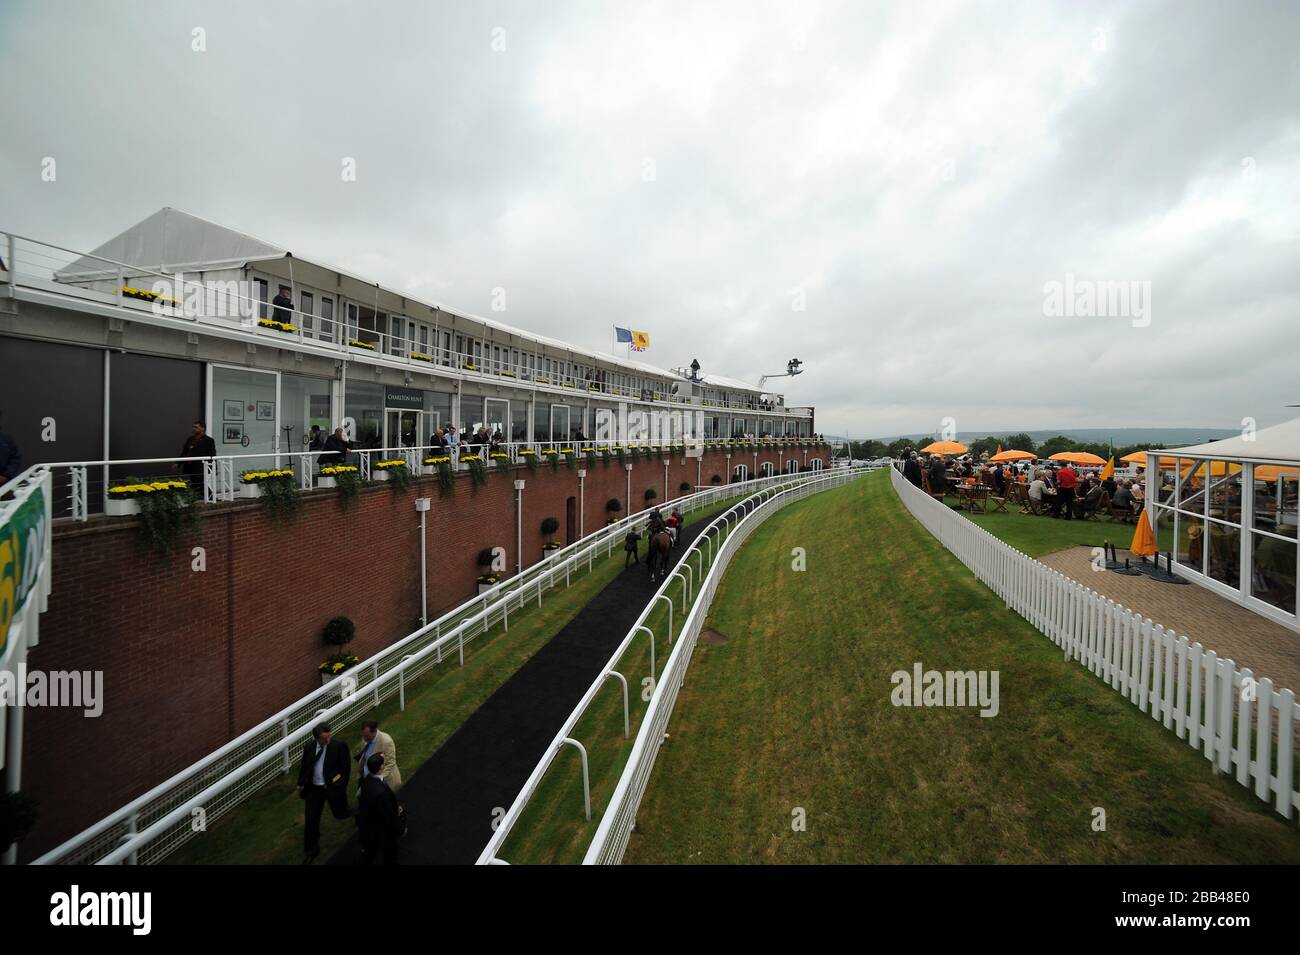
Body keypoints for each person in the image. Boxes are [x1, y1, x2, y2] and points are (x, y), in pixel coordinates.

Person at [297, 722, 353, 864]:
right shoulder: (309, 748)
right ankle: (311, 850)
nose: (328, 740)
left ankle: (360, 813)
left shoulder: (339, 746)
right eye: (324, 739)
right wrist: (300, 784)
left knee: (340, 813)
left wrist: (340, 786)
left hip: (333, 788)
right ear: (317, 738)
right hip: (314, 790)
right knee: (311, 820)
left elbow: (345, 769)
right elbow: (304, 768)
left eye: (330, 736)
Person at [355, 753, 403, 865]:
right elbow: (388, 815)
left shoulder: (367, 781)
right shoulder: (380, 791)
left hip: (369, 826)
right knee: (389, 852)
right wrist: (400, 829)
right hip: (381, 829)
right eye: (383, 761)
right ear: (381, 767)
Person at [356, 720, 401, 790]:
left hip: (384, 782)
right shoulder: (365, 738)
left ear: (374, 731)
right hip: (367, 779)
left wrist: (376, 780)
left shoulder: (386, 741)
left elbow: (390, 763)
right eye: (363, 736)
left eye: (366, 736)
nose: (364, 739)